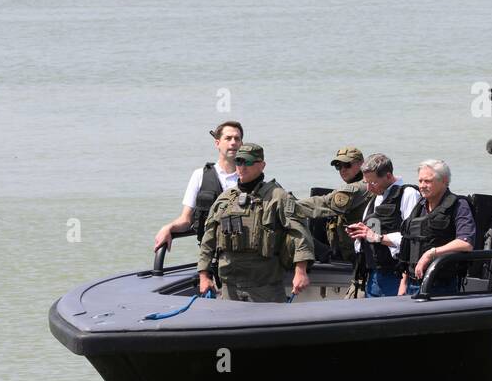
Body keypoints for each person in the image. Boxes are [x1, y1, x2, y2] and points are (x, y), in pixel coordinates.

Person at [197, 144, 313, 303]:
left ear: (262, 165)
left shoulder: (277, 197)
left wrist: (301, 272)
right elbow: (208, 239)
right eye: (238, 161)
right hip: (229, 288)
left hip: (266, 288)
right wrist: (204, 276)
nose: (242, 167)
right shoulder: (225, 199)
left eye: (248, 162)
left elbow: (300, 233)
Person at [154, 121, 243, 252]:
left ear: (242, 144)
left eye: (237, 138)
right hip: (211, 254)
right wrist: (168, 228)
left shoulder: (249, 176)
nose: (233, 142)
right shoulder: (199, 175)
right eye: (228, 138)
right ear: (217, 143)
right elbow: (186, 220)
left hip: (244, 254)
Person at [345, 153, 421, 297]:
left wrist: (377, 237)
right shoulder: (374, 200)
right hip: (373, 276)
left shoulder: (408, 194)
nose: (368, 188)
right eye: (365, 182)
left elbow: (412, 238)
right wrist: (359, 234)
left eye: (373, 183)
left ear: (388, 176)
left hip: (396, 276)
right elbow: (371, 235)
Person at [398, 160, 477, 297]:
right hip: (412, 283)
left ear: (444, 181)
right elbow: (409, 243)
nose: (422, 186)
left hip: (441, 285)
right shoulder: (419, 206)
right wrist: (403, 283)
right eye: (420, 181)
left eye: (428, 181)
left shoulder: (458, 205)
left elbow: (466, 242)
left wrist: (431, 253)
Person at [294, 147, 372, 263]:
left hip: (353, 256)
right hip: (353, 251)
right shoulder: (367, 184)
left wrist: (288, 205)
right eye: (338, 166)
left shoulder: (356, 188)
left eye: (347, 165)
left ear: (361, 164)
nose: (342, 170)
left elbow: (323, 204)